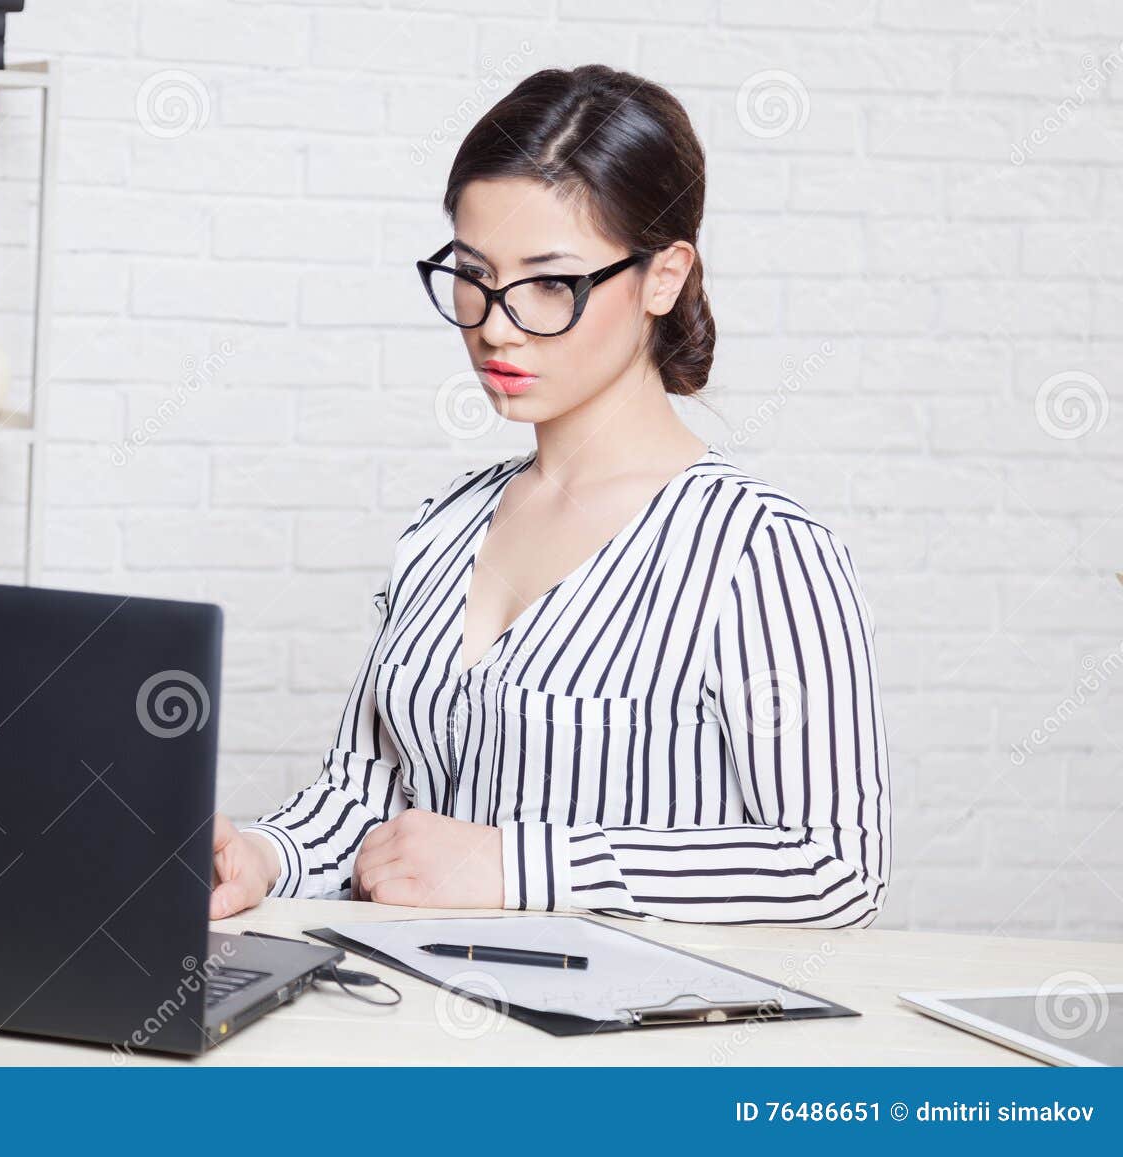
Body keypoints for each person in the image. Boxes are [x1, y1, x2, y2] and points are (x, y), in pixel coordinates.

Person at [209, 64, 890, 929]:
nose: (495, 322)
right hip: (411, 1022)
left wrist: (517, 861)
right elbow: (368, 797)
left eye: (550, 282)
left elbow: (837, 866)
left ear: (662, 277)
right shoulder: (444, 525)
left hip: (631, 1050)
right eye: (473, 272)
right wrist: (265, 855)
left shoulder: (759, 551)